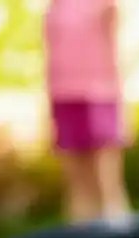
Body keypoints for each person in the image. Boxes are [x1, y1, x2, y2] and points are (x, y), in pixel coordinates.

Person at [44, 0, 130, 225]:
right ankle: (80, 237)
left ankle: (117, 233)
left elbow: (117, 49)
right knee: (76, 180)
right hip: (62, 95)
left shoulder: (104, 4)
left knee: (106, 178)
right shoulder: (56, 5)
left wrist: (122, 102)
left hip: (100, 94)